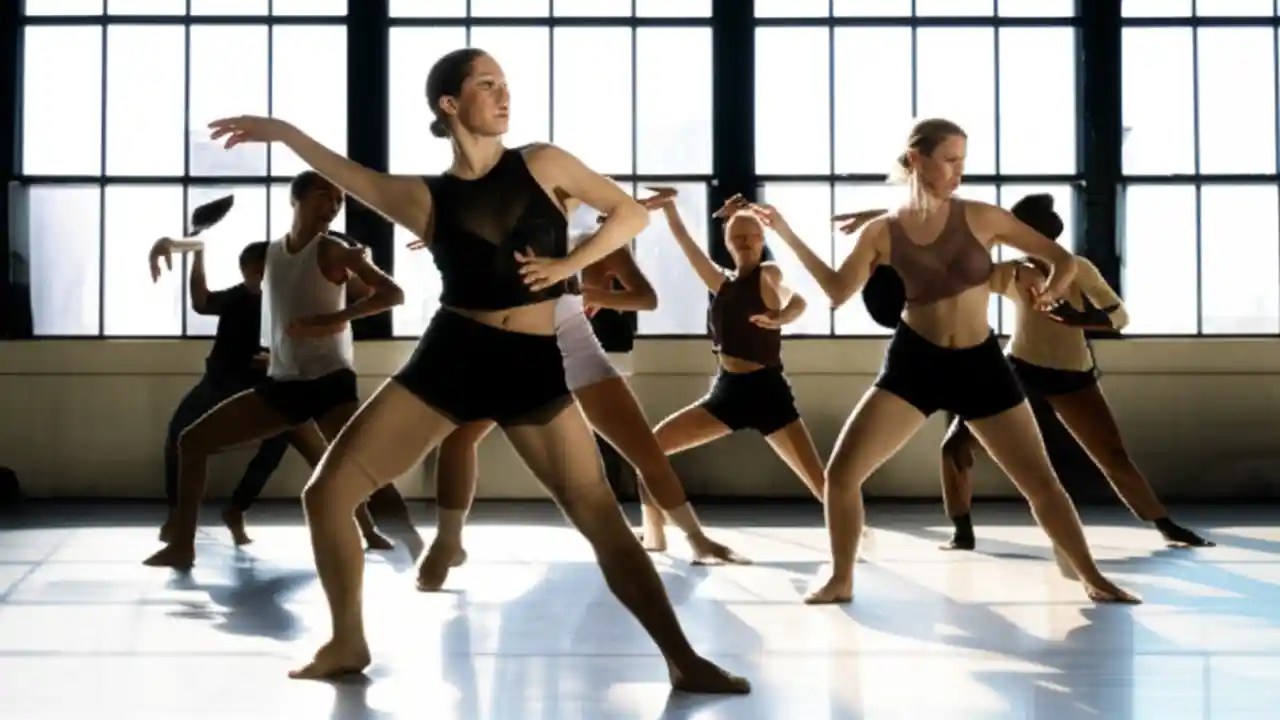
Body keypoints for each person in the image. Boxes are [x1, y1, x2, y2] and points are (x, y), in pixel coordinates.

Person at [206, 48, 749, 692]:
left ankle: (684, 660)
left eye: (505, 84)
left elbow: (629, 212)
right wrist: (283, 132)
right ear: (450, 104)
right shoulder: (424, 197)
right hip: (452, 356)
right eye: (487, 84)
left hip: (531, 366)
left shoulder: (543, 162)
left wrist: (567, 268)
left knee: (601, 517)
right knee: (326, 495)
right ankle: (346, 640)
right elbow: (349, 173)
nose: (503, 94)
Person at [772, 117, 1137, 605]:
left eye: (963, 160)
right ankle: (841, 579)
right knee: (841, 475)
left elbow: (1061, 260)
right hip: (915, 364)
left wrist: (1051, 292)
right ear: (916, 159)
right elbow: (838, 291)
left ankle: (1093, 576)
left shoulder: (983, 217)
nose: (959, 171)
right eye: (949, 160)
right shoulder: (883, 231)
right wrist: (786, 232)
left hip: (979, 365)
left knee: (1040, 482)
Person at [415, 189, 746, 592]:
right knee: (457, 439)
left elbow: (645, 297)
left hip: (579, 355)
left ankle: (697, 538)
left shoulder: (596, 244)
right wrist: (441, 237)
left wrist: (589, 292)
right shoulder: (507, 244)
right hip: (518, 358)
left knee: (646, 452)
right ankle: (447, 542)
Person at [141, 170, 409, 570]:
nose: (333, 204)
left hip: (329, 382)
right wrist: (171, 243)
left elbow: (392, 294)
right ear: (295, 200)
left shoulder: (334, 250)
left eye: (339, 199)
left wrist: (332, 320)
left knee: (350, 465)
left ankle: (391, 538)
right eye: (324, 194)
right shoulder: (272, 255)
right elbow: (205, 265)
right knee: (191, 441)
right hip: (285, 383)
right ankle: (183, 545)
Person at [938, 194, 1212, 550]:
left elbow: (1119, 317)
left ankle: (1165, 524)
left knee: (1111, 455)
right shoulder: (1013, 271)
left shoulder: (1077, 268)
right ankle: (962, 531)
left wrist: (1079, 319)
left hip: (1071, 375)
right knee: (955, 445)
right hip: (1018, 370)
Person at [646, 192, 828, 520]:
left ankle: (857, 534)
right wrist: (671, 209)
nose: (745, 242)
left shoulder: (768, 274)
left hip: (767, 391)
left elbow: (797, 300)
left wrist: (781, 317)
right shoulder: (722, 283)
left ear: (762, 240)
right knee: (651, 448)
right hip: (728, 391)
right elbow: (688, 245)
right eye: (738, 237)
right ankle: (654, 534)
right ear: (728, 243)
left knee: (819, 482)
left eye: (752, 235)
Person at [148, 237, 290, 546]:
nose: (266, 277)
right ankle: (177, 515)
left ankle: (236, 510)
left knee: (280, 441)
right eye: (260, 271)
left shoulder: (285, 301)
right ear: (248, 272)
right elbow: (201, 302)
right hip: (219, 383)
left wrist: (277, 359)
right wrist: (197, 253)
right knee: (177, 435)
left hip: (263, 387)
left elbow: (306, 339)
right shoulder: (238, 297)